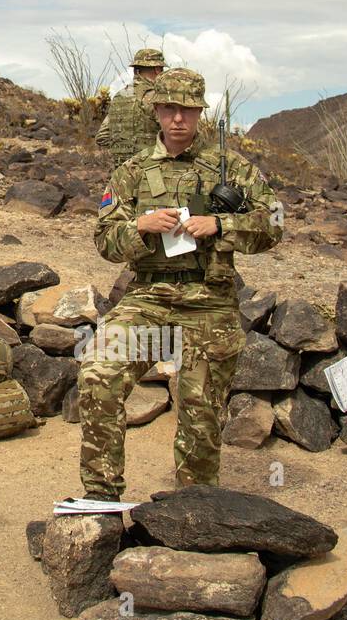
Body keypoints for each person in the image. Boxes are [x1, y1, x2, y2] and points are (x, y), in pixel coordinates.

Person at [80, 68, 281, 499]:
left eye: (187, 110)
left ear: (199, 113)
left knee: (201, 410)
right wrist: (141, 226)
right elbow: (104, 241)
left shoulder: (230, 169)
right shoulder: (131, 173)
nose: (177, 119)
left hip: (208, 299)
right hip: (148, 297)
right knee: (99, 372)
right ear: (155, 110)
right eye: (169, 108)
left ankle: (195, 505)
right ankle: (101, 498)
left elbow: (275, 224)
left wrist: (222, 224)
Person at [95, 47, 166, 168]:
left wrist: (124, 151)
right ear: (157, 69)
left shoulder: (120, 96)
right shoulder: (155, 97)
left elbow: (102, 137)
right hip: (151, 172)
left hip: (120, 173)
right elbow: (176, 135)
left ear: (135, 71)